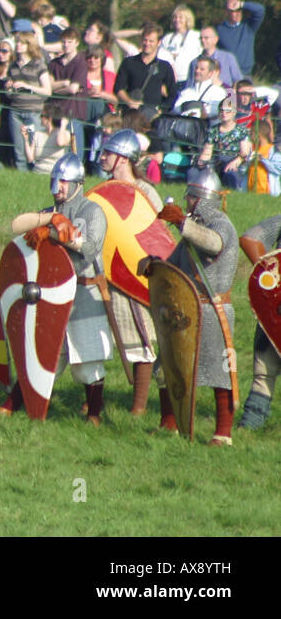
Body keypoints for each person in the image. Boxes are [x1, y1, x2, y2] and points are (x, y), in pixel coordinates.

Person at [1, 154, 111, 422]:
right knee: (44, 350)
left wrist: (54, 232)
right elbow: (16, 226)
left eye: (64, 181)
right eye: (56, 180)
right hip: (51, 295)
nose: (58, 186)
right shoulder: (49, 212)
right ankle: (14, 403)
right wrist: (49, 218)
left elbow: (89, 248)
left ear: (77, 184)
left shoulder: (92, 212)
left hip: (83, 293)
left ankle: (94, 413)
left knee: (87, 359)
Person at [145, 166, 238, 445]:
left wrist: (183, 223)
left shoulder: (220, 224)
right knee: (169, 365)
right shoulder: (189, 234)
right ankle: (169, 424)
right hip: (186, 310)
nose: (186, 201)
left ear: (199, 198)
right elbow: (173, 266)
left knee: (220, 373)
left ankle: (223, 433)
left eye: (190, 197)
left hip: (213, 310)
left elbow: (213, 244)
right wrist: (153, 265)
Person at [94, 129, 163, 414]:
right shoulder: (104, 190)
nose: (102, 157)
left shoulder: (146, 192)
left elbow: (157, 236)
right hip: (105, 274)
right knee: (95, 341)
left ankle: (138, 407)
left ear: (123, 158)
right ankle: (92, 401)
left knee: (139, 340)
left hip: (136, 276)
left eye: (108, 153)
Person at [237, 216, 281, 429]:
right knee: (264, 370)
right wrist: (268, 282)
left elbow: (250, 238)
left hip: (276, 306)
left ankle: (250, 425)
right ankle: (251, 425)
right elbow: (249, 240)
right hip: (276, 308)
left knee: (264, 373)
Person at [3, 32, 51, 170]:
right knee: (19, 150)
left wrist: (27, 86)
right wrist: (8, 89)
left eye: (22, 43)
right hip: (15, 111)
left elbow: (47, 91)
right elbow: (10, 95)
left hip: (34, 112)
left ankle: (36, 173)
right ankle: (21, 175)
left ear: (30, 45)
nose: (18, 45)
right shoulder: (13, 66)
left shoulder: (39, 65)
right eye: (17, 42)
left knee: (35, 149)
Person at [215, 0, 264, 77]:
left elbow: (260, 10)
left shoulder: (248, 27)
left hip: (245, 73)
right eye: (232, 11)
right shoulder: (219, 29)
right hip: (225, 73)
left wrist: (242, 4)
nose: (236, 13)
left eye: (238, 10)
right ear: (226, 12)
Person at [157, 5, 201, 85]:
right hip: (170, 79)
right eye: (175, 17)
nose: (177, 20)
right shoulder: (167, 38)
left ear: (187, 19)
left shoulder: (196, 36)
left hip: (189, 78)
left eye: (180, 17)